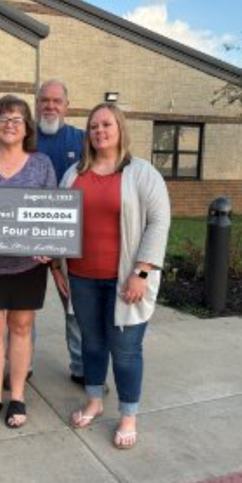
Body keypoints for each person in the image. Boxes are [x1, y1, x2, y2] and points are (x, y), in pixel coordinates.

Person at [53, 102, 170, 449]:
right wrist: (54, 265)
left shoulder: (142, 173)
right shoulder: (74, 173)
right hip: (81, 276)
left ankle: (128, 415)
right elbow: (57, 221)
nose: (100, 131)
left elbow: (159, 222)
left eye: (106, 125)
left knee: (126, 350)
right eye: (94, 127)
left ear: (119, 129)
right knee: (91, 342)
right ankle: (94, 401)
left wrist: (142, 272)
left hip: (126, 279)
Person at [0, 95, 58, 429]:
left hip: (27, 265)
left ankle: (16, 395)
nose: (9, 125)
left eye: (17, 119)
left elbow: (53, 215)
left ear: (27, 127)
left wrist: (51, 245)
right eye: (3, 119)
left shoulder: (42, 163)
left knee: (21, 328)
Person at [35, 79, 87, 386]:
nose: (50, 106)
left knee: (73, 307)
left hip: (68, 238)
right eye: (44, 101)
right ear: (37, 104)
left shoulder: (82, 140)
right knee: (22, 309)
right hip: (28, 237)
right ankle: (20, 365)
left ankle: (81, 368)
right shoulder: (24, 137)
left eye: (56, 101)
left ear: (67, 105)